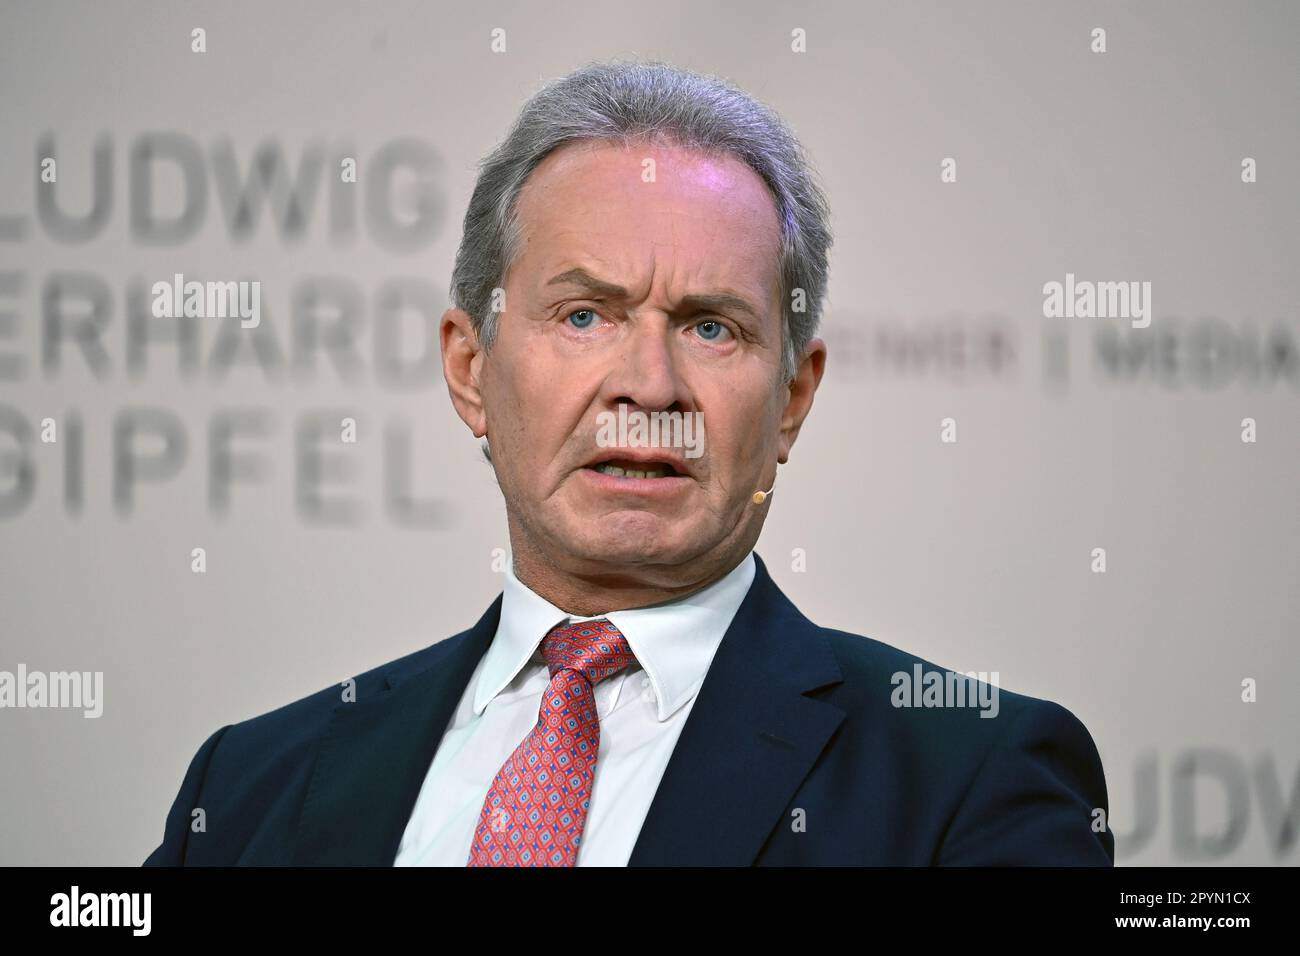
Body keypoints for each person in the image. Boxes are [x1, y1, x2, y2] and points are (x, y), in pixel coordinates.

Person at [144, 59, 1113, 866]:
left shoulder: (970, 777)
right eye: (582, 315)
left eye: (709, 325)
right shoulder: (247, 786)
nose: (648, 386)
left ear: (791, 398)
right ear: (470, 368)